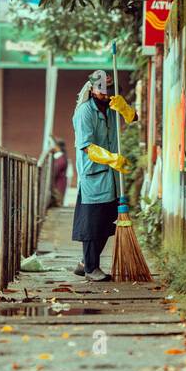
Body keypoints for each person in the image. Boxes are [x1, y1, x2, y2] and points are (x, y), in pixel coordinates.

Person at [71, 69, 133, 281]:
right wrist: (112, 158)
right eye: (103, 93)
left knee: (107, 222)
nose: (107, 96)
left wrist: (124, 108)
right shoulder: (84, 113)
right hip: (94, 175)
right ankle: (91, 268)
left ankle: (84, 262)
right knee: (92, 223)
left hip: (112, 176)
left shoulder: (112, 107)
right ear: (93, 90)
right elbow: (86, 147)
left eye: (110, 92)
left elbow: (133, 118)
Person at [50, 137, 68, 207]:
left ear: (57, 147)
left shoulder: (60, 158)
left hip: (58, 185)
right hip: (57, 185)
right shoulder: (59, 156)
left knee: (58, 203)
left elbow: (55, 171)